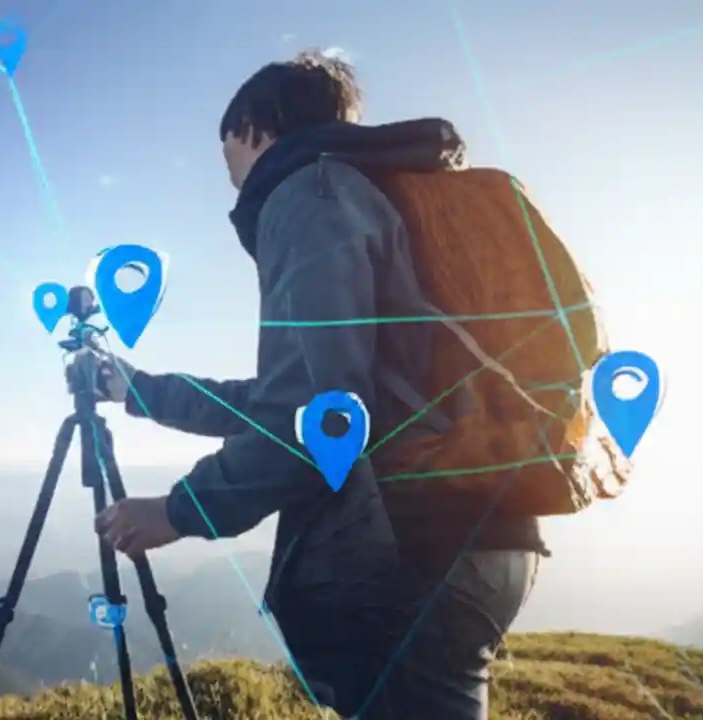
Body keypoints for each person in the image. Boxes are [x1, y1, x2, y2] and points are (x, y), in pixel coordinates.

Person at [91, 50, 543, 719]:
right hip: (482, 528)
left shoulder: (308, 194)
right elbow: (298, 396)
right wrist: (142, 393)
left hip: (410, 549)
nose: (233, 187)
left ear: (254, 129)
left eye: (228, 161)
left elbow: (313, 410)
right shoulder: (381, 196)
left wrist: (179, 512)